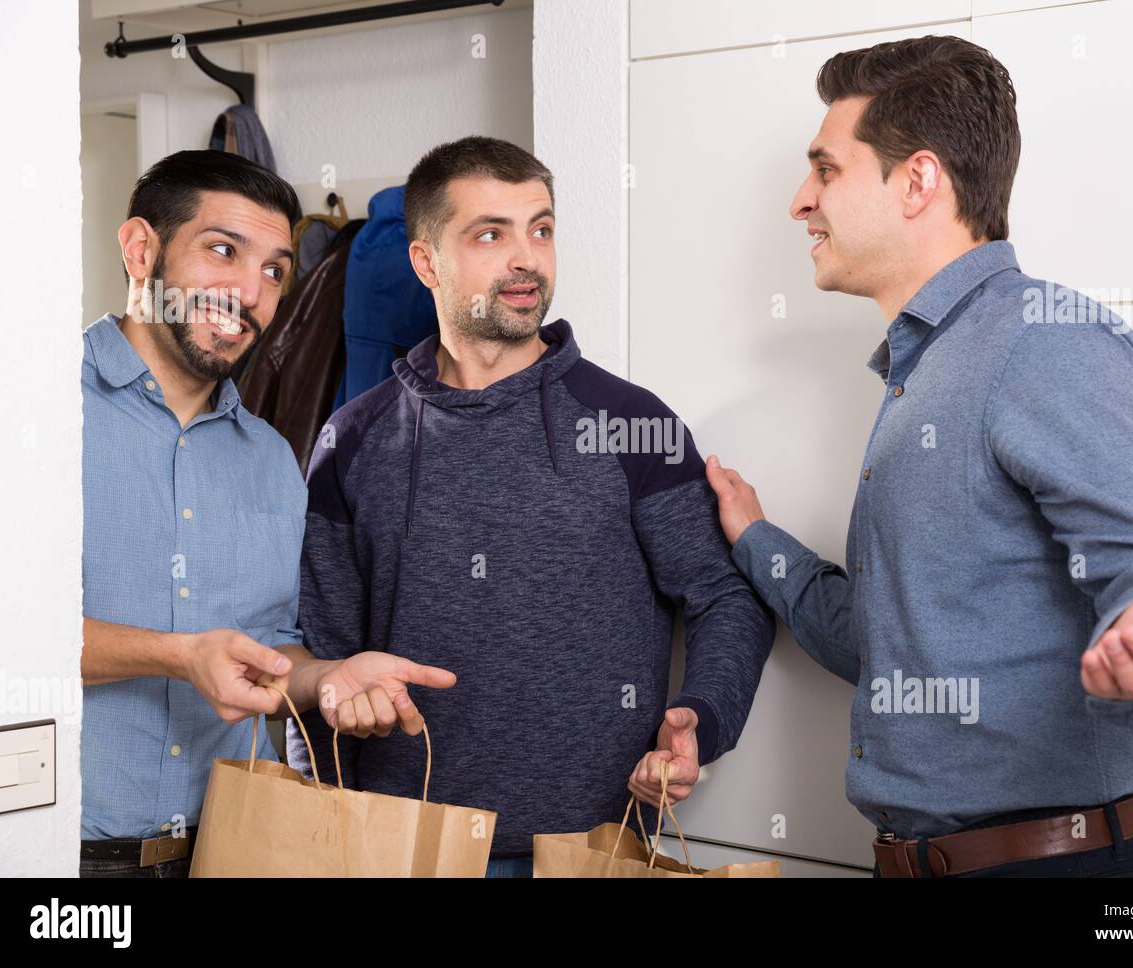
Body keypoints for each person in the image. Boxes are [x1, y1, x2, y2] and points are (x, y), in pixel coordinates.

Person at [704, 36, 1133, 878]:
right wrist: (755, 542)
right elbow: (894, 647)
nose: (800, 201)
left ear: (918, 180)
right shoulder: (925, 368)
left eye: (827, 170)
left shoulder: (1045, 344)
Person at [287, 136, 775, 877]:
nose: (528, 259)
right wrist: (319, 812)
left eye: (540, 230)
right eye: (492, 234)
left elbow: (726, 593)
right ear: (427, 263)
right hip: (396, 849)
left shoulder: (629, 422)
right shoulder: (352, 440)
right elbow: (317, 647)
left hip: (588, 853)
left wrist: (701, 721)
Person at [81, 150, 452, 878]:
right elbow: (1, 642)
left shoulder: (275, 461)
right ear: (140, 250)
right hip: (59, 861)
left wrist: (330, 678)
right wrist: (179, 656)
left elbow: (273, 649)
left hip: (234, 851)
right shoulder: (29, 422)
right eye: (223, 251)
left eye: (276, 271)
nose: (250, 292)